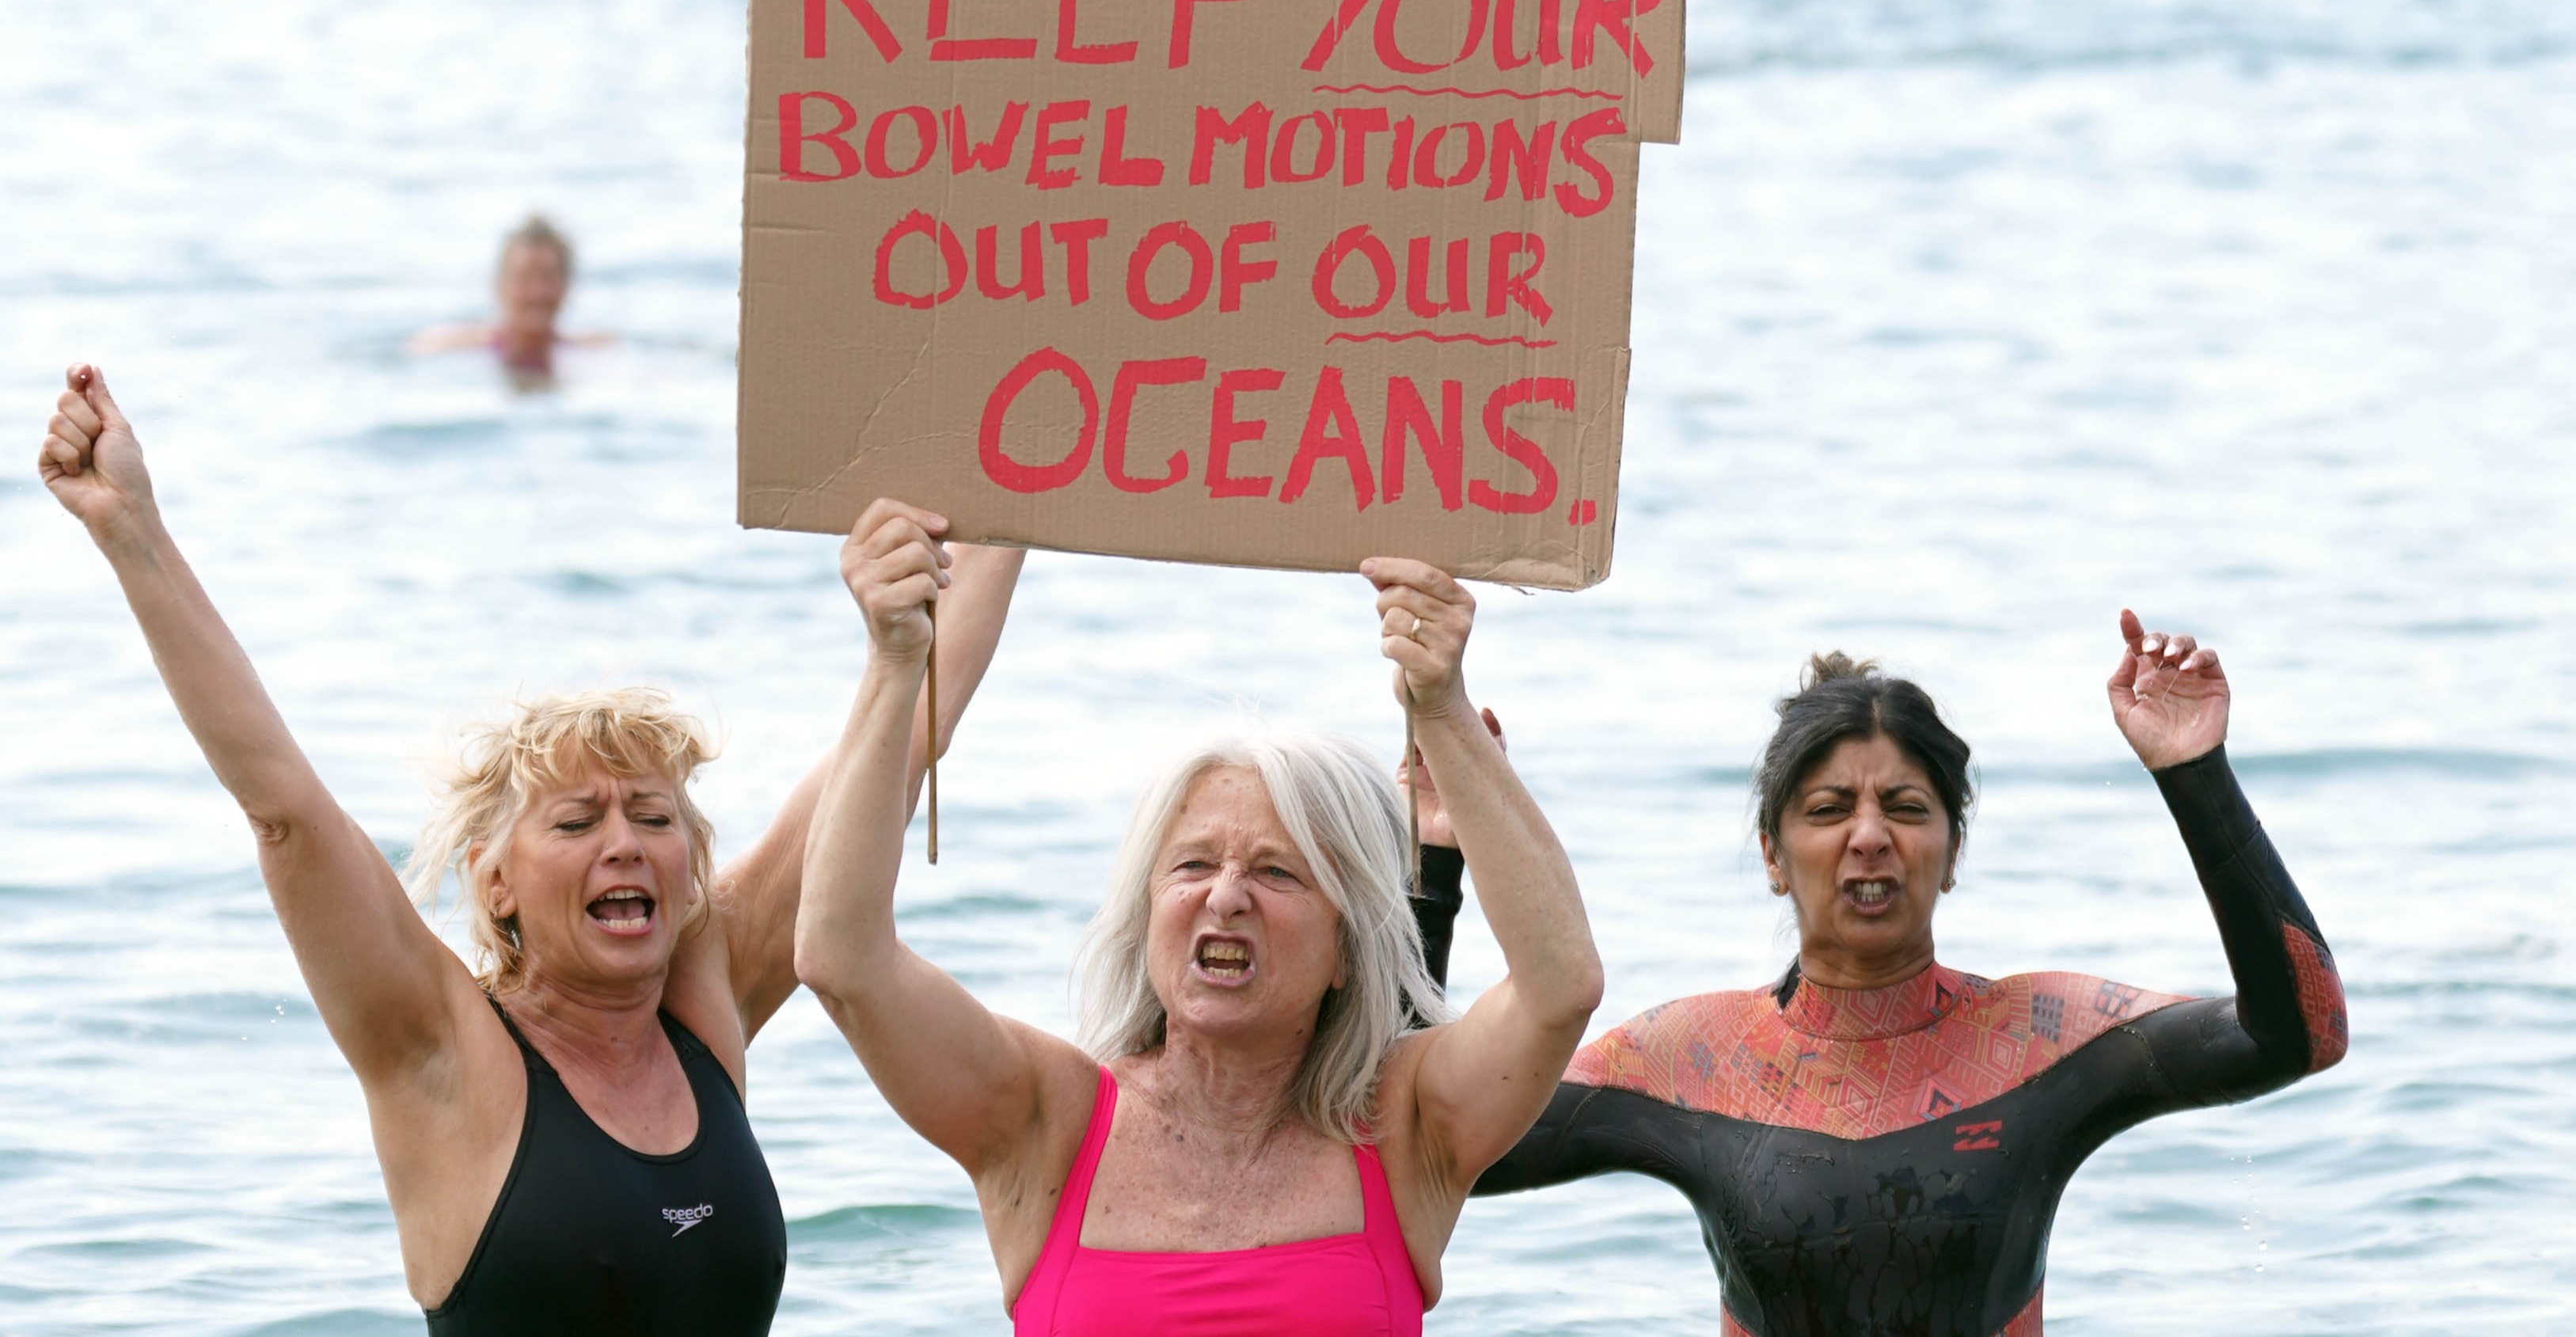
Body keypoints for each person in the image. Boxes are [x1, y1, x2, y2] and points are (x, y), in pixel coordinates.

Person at [36, 364, 1023, 1332]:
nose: (624, 844)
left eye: (652, 817)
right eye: (577, 822)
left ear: (688, 867)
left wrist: (1024, 494)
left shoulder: (706, 996)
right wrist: (132, 531)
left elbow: (901, 745)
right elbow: (281, 806)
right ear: (496, 884)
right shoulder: (441, 1051)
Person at [794, 499, 1605, 1334]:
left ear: (1346, 950)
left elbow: (1559, 989)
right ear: (1145, 913)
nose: (1224, 896)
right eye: (1192, 865)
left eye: (1276, 872)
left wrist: (1440, 706)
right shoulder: (1048, 1118)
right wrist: (895, 663)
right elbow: (842, 958)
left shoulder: (1403, 1125)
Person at [1412, 629, 2348, 1337]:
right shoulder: (1693, 1061)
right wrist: (1437, 857)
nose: (1868, 836)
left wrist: (2192, 769)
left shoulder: (2038, 1036)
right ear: (1773, 856)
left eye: (1904, 807)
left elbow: (2299, 1031)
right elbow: (1419, 1135)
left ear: (1951, 851)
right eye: (1828, 810)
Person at [410, 215, 606, 382]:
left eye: (547, 278)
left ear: (566, 286)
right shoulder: (450, 346)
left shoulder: (592, 352)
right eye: (524, 278)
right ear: (500, 286)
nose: (536, 293)